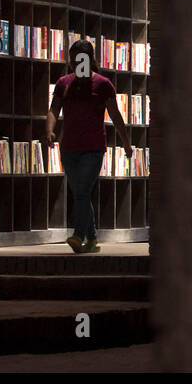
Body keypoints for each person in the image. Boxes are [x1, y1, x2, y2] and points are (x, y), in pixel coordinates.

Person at [47, 38, 131, 254]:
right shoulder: (64, 83)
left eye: (80, 60)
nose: (76, 64)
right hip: (68, 148)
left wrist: (126, 143)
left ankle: (78, 235)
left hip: (93, 148)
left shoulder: (103, 84)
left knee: (82, 191)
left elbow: (115, 115)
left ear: (90, 60)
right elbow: (54, 109)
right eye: (73, 61)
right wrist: (49, 130)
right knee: (81, 194)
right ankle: (92, 240)